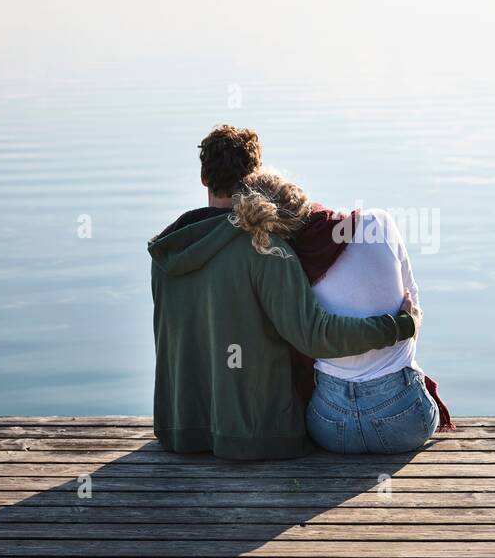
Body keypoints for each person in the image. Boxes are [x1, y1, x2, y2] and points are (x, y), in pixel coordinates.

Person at [148, 127, 422, 461]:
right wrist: (401, 325)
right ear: (256, 178)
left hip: (178, 428)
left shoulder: (170, 248)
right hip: (258, 436)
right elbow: (315, 337)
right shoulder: (265, 249)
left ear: (204, 178)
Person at [231, 169, 452, 454]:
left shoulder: (287, 267)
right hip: (405, 420)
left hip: (330, 425)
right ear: (297, 191)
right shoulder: (377, 222)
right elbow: (414, 308)